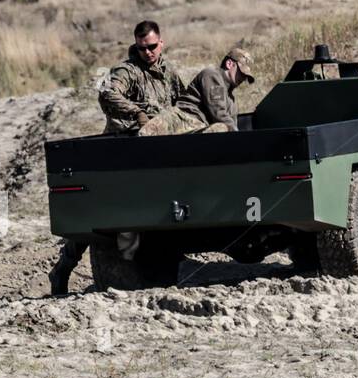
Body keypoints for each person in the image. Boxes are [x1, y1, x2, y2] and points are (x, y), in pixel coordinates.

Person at [50, 20, 187, 296]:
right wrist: (136, 112)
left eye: (151, 47)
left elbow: (182, 101)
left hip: (159, 149)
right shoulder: (128, 70)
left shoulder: (168, 71)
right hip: (125, 149)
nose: (147, 52)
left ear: (161, 43)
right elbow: (107, 94)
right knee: (101, 214)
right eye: (141, 47)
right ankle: (63, 268)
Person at [138, 48, 255, 136]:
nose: (243, 78)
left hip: (197, 129)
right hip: (179, 119)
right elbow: (219, 112)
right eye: (241, 72)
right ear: (229, 64)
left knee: (222, 128)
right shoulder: (213, 75)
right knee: (144, 137)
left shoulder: (231, 101)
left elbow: (231, 126)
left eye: (246, 76)